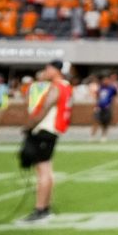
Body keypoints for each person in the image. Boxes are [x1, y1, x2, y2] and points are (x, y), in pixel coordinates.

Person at [18, 62, 72, 224]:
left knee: (43, 171)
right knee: (47, 169)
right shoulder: (66, 86)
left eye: (48, 69)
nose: (45, 72)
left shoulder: (56, 87)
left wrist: (30, 126)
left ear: (55, 70)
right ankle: (45, 207)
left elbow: (47, 106)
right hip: (52, 129)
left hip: (44, 129)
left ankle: (40, 209)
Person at [93, 72, 118, 141]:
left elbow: (115, 97)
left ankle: (104, 136)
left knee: (106, 122)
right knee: (96, 121)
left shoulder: (112, 88)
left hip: (107, 107)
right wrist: (96, 106)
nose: (106, 81)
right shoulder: (100, 87)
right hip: (100, 107)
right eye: (104, 80)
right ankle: (93, 136)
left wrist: (112, 106)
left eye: (107, 80)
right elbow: (97, 97)